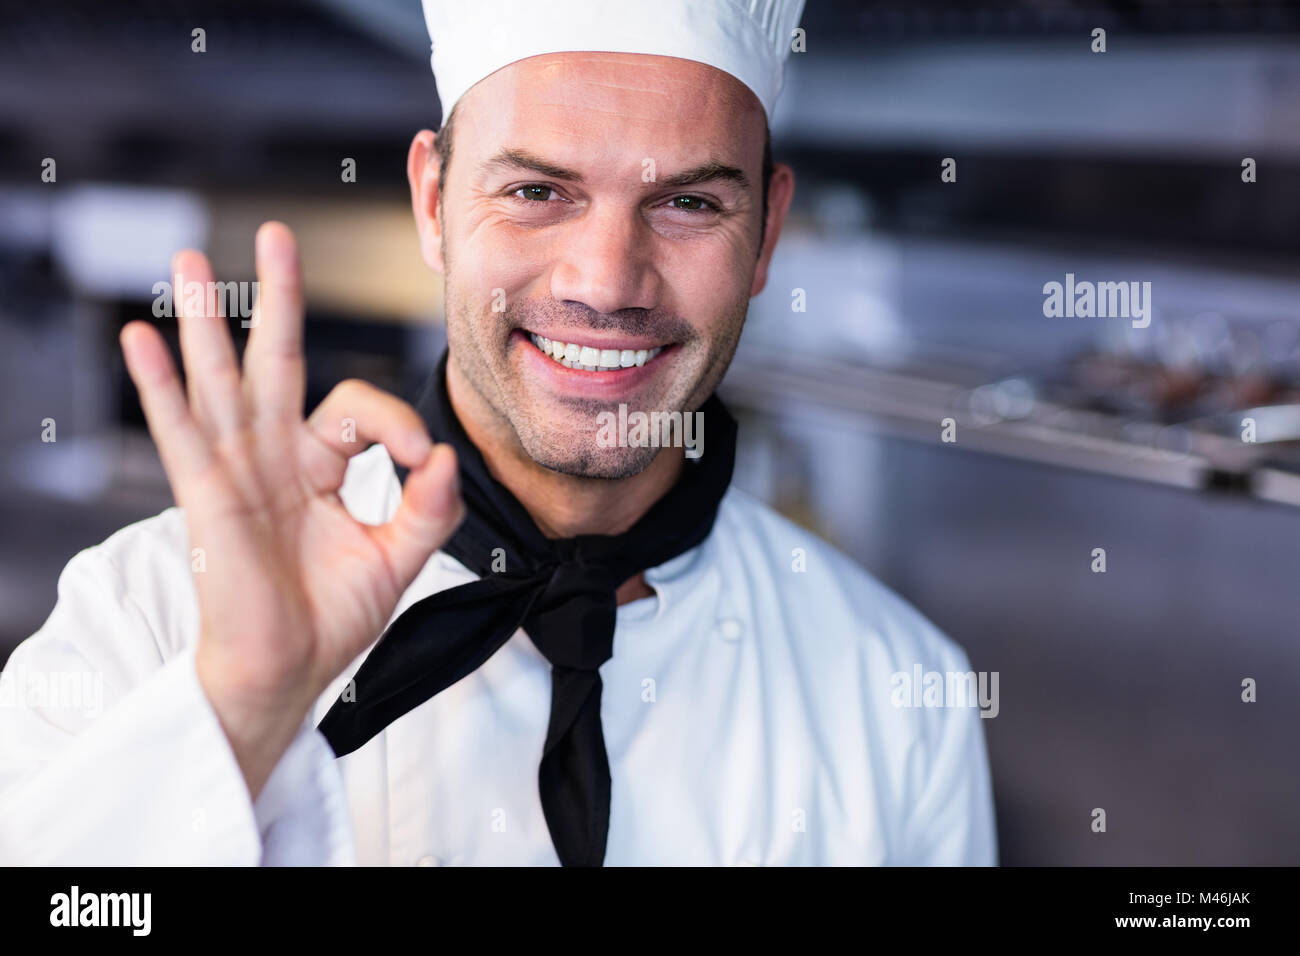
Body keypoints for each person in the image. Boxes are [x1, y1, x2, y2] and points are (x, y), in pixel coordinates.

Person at [0, 0, 997, 866]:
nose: (605, 281)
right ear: (433, 200)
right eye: (535, 191)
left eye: (688, 202)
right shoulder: (150, 613)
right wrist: (240, 708)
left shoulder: (897, 691)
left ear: (766, 237)